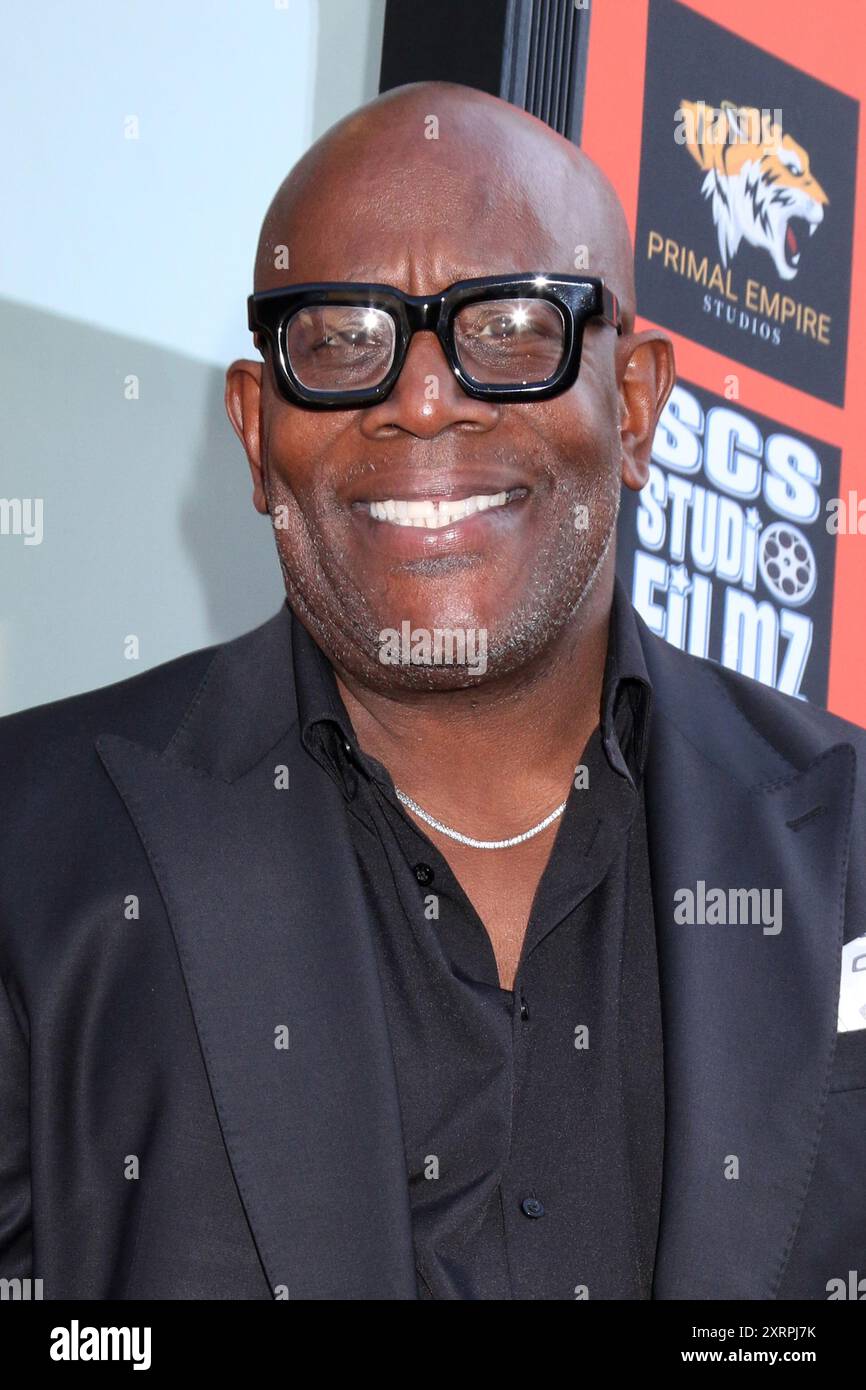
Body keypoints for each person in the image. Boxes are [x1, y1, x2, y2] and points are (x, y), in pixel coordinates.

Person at [1, 81, 864, 1302]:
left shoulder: (847, 841)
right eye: (341, 338)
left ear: (632, 404)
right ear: (258, 434)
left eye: (510, 325)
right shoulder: (31, 849)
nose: (418, 399)